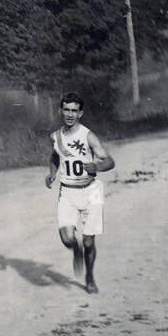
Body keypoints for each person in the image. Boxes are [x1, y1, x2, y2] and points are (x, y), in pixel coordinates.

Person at [44, 92, 115, 294]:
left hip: (91, 191)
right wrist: (51, 174)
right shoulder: (55, 137)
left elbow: (109, 161)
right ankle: (76, 251)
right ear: (60, 111)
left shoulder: (88, 136)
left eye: (74, 111)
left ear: (80, 113)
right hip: (67, 192)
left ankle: (90, 277)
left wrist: (96, 167)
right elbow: (55, 157)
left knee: (89, 240)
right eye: (66, 110)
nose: (70, 114)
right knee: (67, 239)